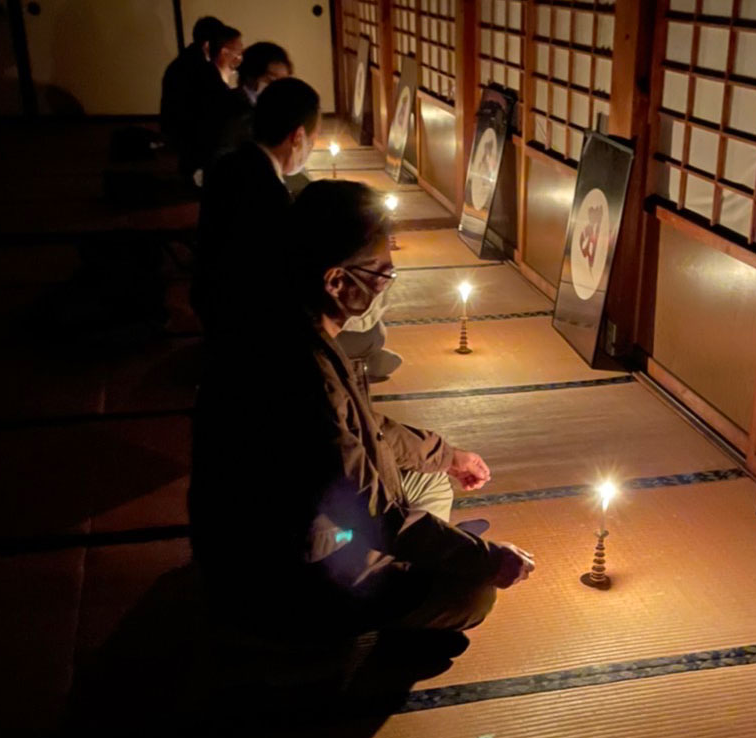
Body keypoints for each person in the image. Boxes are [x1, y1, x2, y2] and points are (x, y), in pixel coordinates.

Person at [189, 178, 534, 650]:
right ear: (335, 280)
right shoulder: (301, 369)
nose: (384, 287)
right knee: (473, 594)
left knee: (430, 477)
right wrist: (486, 559)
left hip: (294, 532)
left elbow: (365, 429)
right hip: (286, 576)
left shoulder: (283, 319)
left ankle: (406, 575)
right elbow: (374, 513)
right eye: (379, 274)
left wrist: (447, 454)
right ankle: (331, 638)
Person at [192, 77, 320, 338]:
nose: (310, 149)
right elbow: (278, 278)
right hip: (248, 323)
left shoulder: (229, 164)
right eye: (313, 141)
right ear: (297, 137)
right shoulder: (268, 192)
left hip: (211, 303)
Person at [160, 16, 229, 180]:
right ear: (207, 44)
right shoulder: (200, 69)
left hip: (174, 126)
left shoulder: (187, 58)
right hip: (185, 131)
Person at [210, 42, 293, 164]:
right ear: (250, 75)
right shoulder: (230, 107)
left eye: (284, 81)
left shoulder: (274, 108)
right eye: (271, 79)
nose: (278, 87)